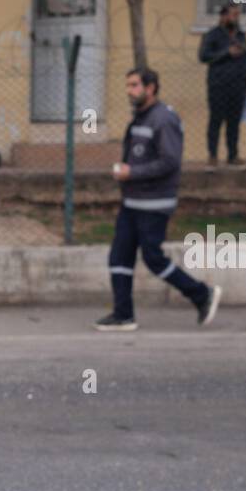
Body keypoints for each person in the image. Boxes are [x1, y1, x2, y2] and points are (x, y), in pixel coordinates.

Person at [96, 68, 221, 332]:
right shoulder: (141, 118)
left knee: (153, 258)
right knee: (119, 256)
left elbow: (169, 161)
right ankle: (123, 315)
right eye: (128, 85)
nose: (129, 91)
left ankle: (201, 294)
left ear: (150, 88)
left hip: (154, 204)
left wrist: (132, 172)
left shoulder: (164, 119)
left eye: (134, 85)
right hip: (132, 202)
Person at [198, 3, 246, 168]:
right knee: (216, 121)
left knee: (234, 123)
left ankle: (233, 155)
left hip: (237, 86)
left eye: (238, 15)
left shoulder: (241, 36)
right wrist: (226, 53)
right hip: (218, 86)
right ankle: (213, 156)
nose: (236, 18)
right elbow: (203, 56)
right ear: (223, 16)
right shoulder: (212, 35)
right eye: (232, 15)